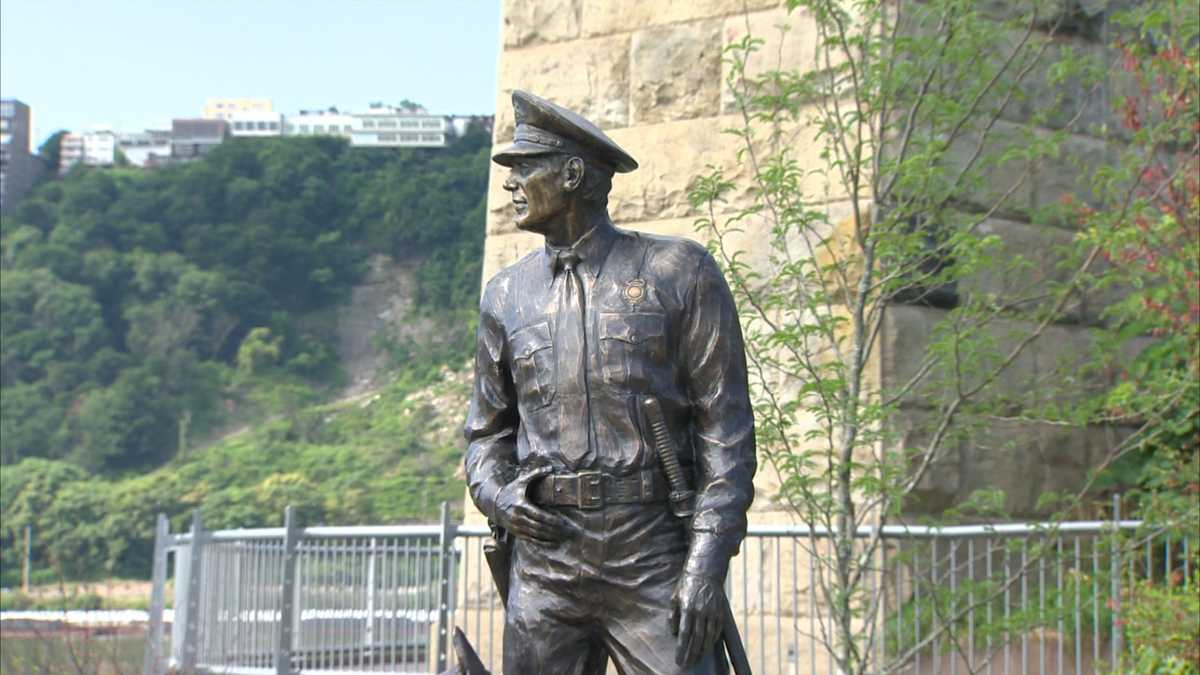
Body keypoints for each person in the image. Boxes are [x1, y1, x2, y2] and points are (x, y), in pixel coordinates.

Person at [464, 90, 756, 675]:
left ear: (573, 174)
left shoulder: (678, 272)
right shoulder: (505, 295)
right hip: (545, 560)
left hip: (650, 554)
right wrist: (500, 495)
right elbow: (485, 438)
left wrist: (705, 564)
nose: (511, 183)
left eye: (525, 167)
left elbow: (726, 434)